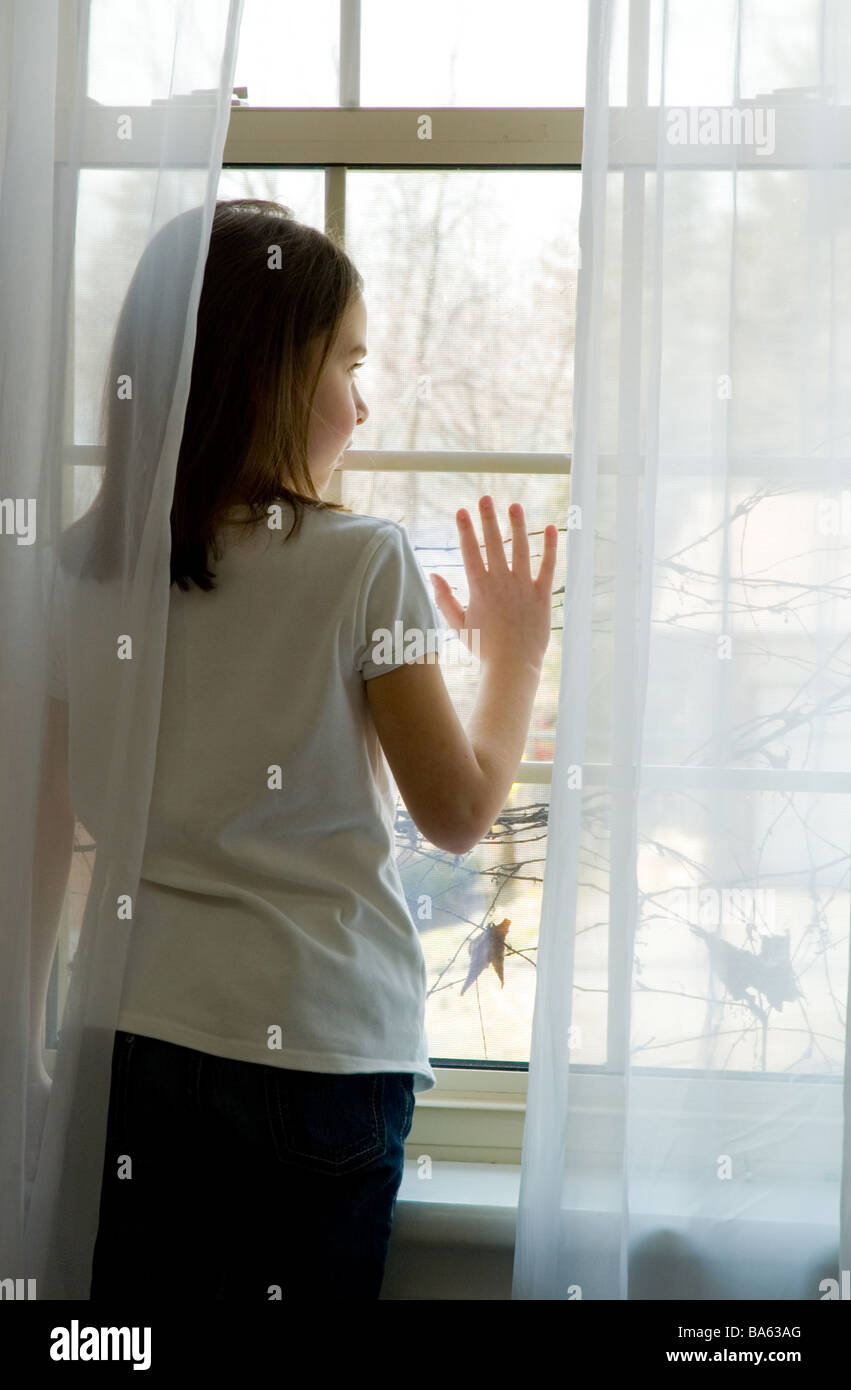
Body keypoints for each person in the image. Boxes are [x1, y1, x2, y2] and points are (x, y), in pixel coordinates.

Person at [69, 198, 558, 1300]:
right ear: (267, 377)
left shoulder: (69, 571)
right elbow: (456, 811)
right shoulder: (358, 561)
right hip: (317, 1062)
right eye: (348, 362)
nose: (363, 399)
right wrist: (515, 651)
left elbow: (51, 828)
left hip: (130, 1043)